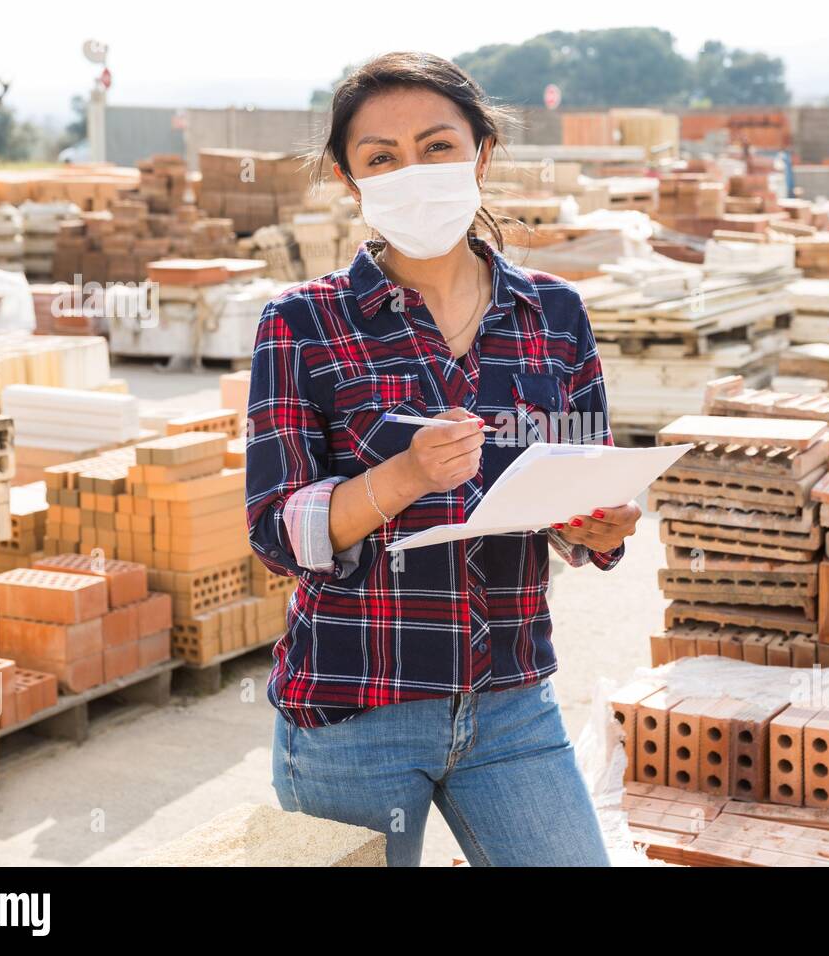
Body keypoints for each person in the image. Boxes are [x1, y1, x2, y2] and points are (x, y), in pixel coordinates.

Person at [245, 51, 640, 866]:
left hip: (510, 704)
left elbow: (581, 496)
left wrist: (599, 527)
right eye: (381, 159)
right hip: (354, 709)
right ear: (350, 180)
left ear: (482, 154)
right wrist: (405, 477)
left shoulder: (554, 313)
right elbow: (277, 533)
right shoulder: (301, 323)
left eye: (437, 146)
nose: (413, 173)